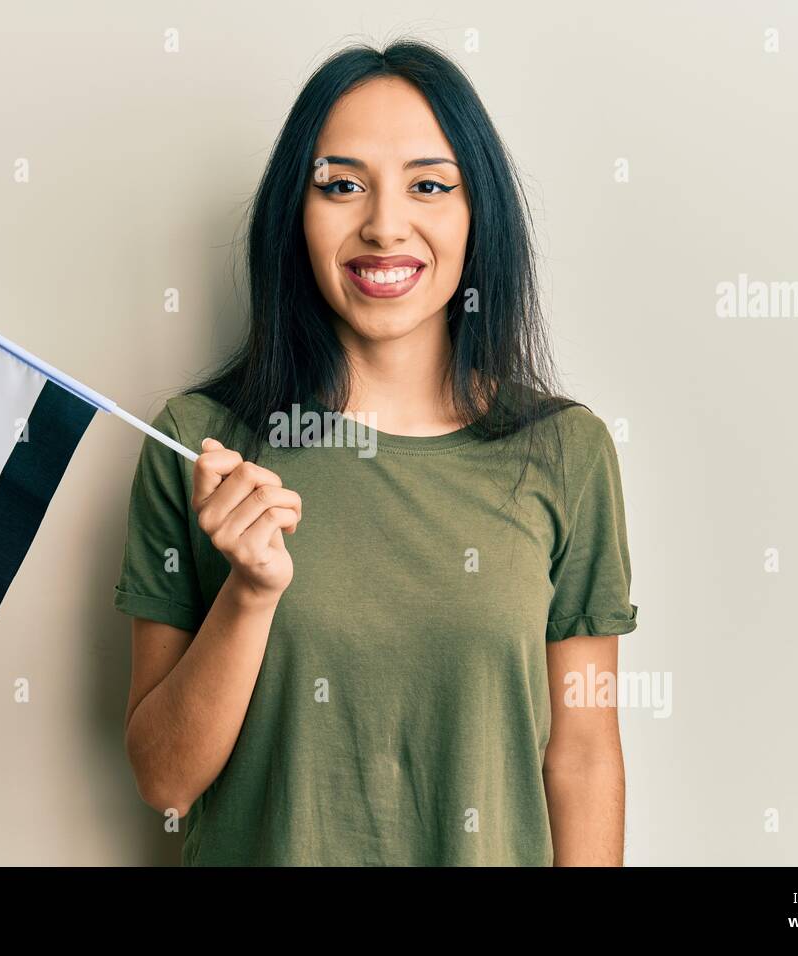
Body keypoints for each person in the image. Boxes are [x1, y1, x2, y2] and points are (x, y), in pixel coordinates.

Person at [114, 39, 640, 866]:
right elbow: (165, 782)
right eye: (342, 185)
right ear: (297, 211)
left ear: (480, 215)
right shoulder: (198, 444)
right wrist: (250, 596)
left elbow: (583, 757)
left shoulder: (567, 455)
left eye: (429, 185)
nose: (385, 224)